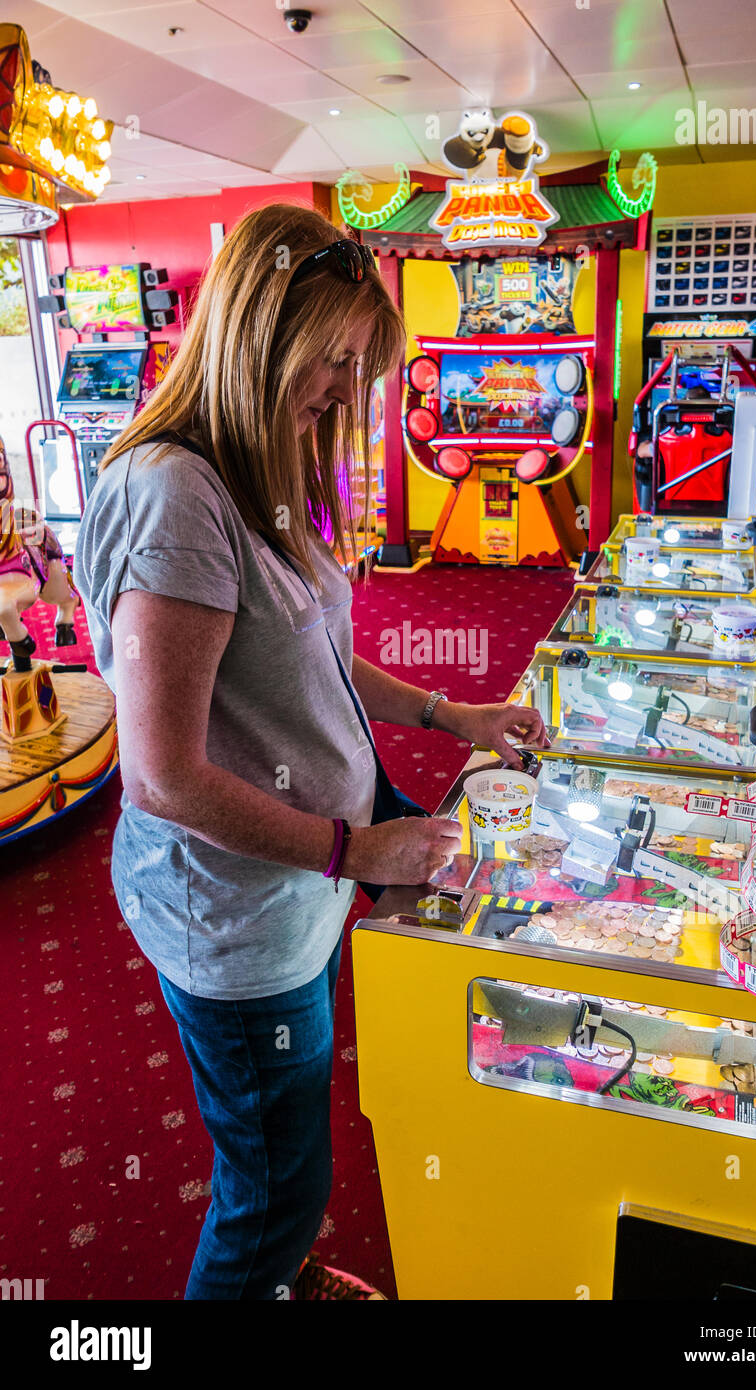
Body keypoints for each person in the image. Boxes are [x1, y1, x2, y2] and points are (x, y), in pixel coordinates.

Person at [73, 204, 549, 1301]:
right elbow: (162, 775)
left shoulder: (256, 466)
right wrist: (354, 849)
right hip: (234, 917)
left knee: (293, 1154)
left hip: (295, 887)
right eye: (332, 357)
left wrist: (449, 714)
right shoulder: (176, 496)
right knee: (274, 1185)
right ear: (257, 329)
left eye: (354, 363)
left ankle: (282, 1281)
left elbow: (319, 656)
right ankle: (266, 1272)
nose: (345, 387)